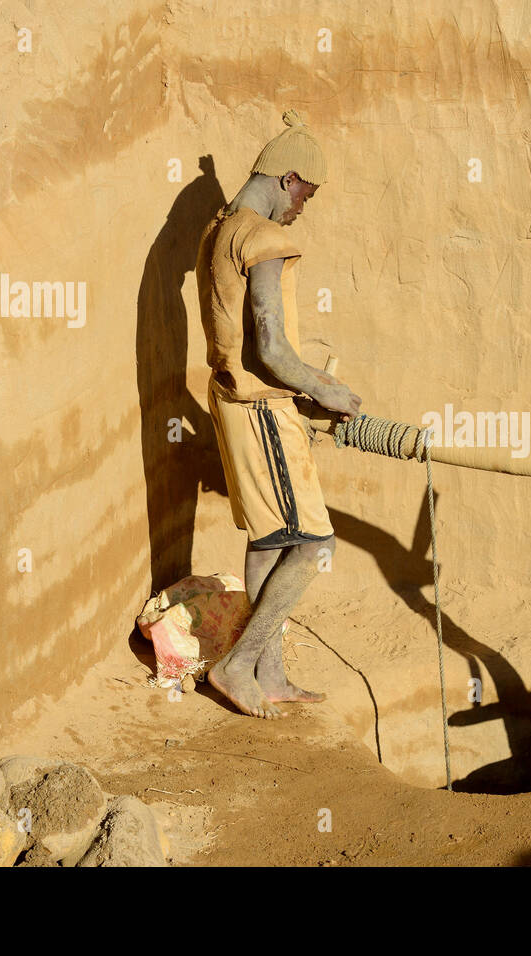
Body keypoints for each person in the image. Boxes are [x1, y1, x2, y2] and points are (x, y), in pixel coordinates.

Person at [195, 108, 361, 718]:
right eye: (306, 196)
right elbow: (269, 346)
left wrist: (306, 385)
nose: (302, 209)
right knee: (316, 544)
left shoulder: (217, 229)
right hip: (263, 412)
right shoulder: (263, 237)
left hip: (234, 402)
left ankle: (267, 672)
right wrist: (325, 388)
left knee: (270, 541)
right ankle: (236, 665)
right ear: (289, 178)